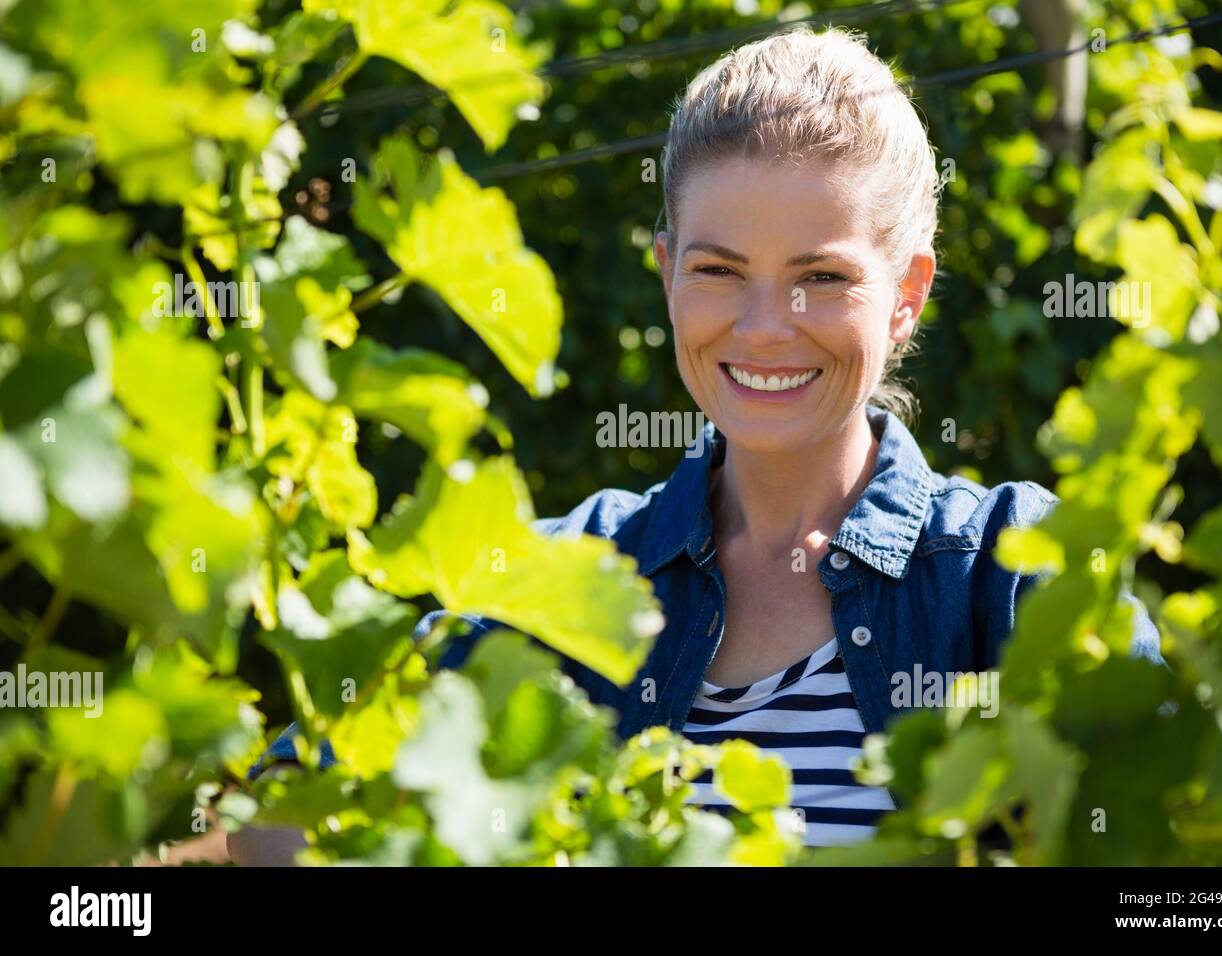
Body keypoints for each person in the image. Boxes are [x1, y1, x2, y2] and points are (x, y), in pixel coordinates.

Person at [229, 25, 1163, 864]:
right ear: (667, 270)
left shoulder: (1011, 572)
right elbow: (286, 808)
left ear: (908, 293)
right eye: (719, 270)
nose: (763, 328)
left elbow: (1180, 864)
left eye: (821, 276)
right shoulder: (567, 573)